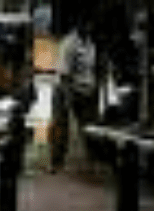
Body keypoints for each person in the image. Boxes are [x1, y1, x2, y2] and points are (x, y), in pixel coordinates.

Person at [52, 15, 98, 170]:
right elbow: (64, 74)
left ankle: (91, 160)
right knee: (61, 126)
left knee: (88, 125)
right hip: (68, 89)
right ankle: (57, 162)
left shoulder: (90, 43)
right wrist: (68, 98)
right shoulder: (69, 43)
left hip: (85, 89)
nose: (90, 27)